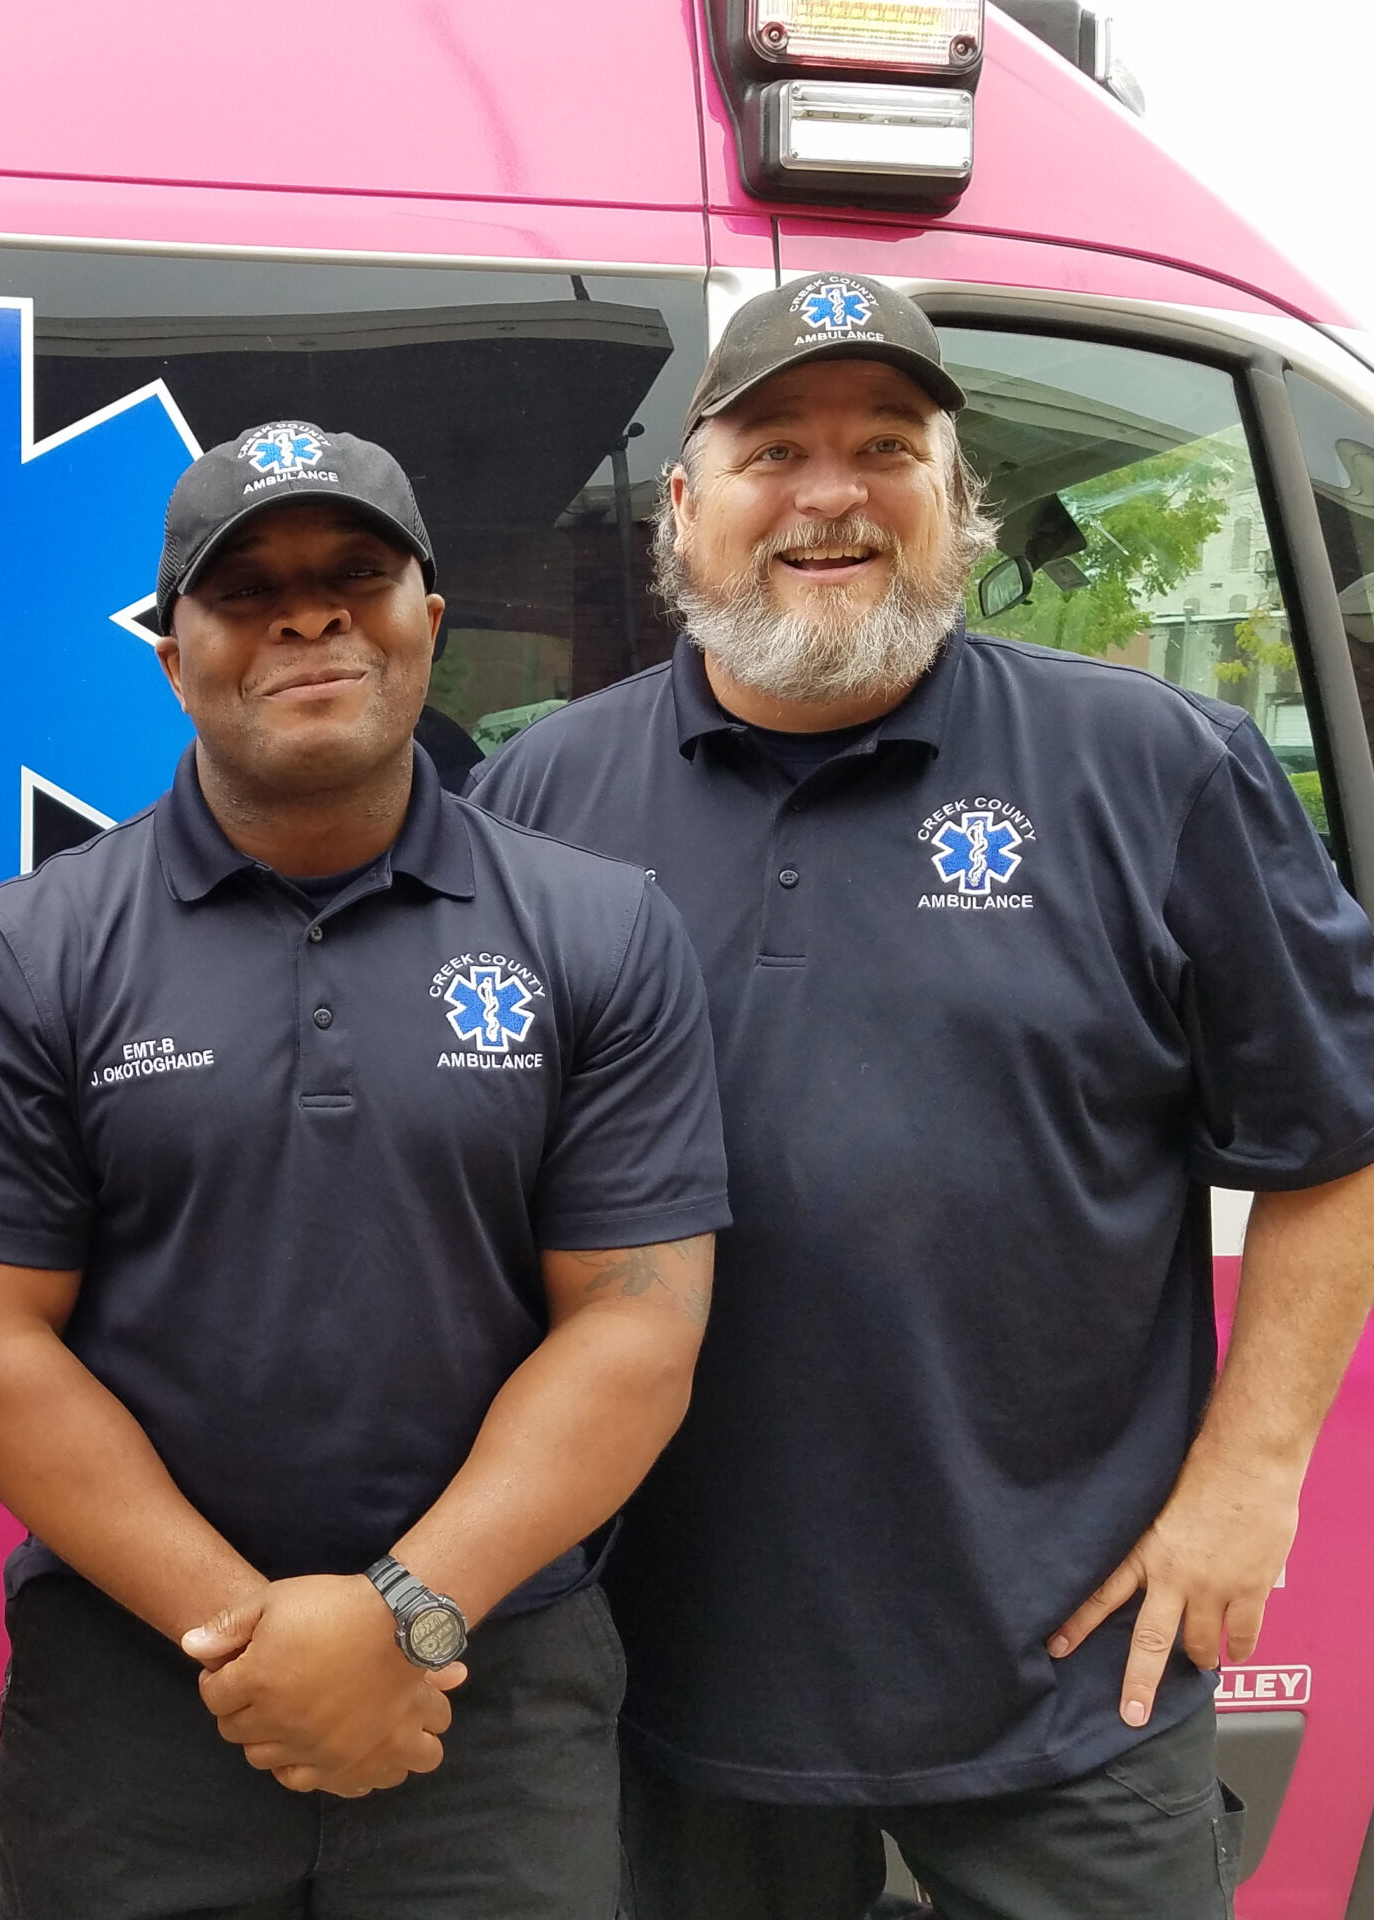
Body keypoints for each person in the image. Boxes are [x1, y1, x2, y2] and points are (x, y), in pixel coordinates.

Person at [468, 274, 1374, 1919]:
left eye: (888, 447)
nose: (831, 494)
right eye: (774, 452)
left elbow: (1342, 1139)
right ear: (683, 508)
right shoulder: (541, 795)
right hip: (664, 1668)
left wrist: (1250, 1482)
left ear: (960, 502)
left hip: (1074, 1660)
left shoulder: (1157, 768)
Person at [0, 420, 732, 1919]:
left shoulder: (602, 931)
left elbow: (636, 1321)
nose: (307, 618)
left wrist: (404, 1617)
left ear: (430, 619)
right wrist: (258, 1640)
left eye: (355, 574)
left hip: (493, 1684)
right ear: (174, 657)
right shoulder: (27, 951)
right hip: (140, 1691)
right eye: (248, 590)